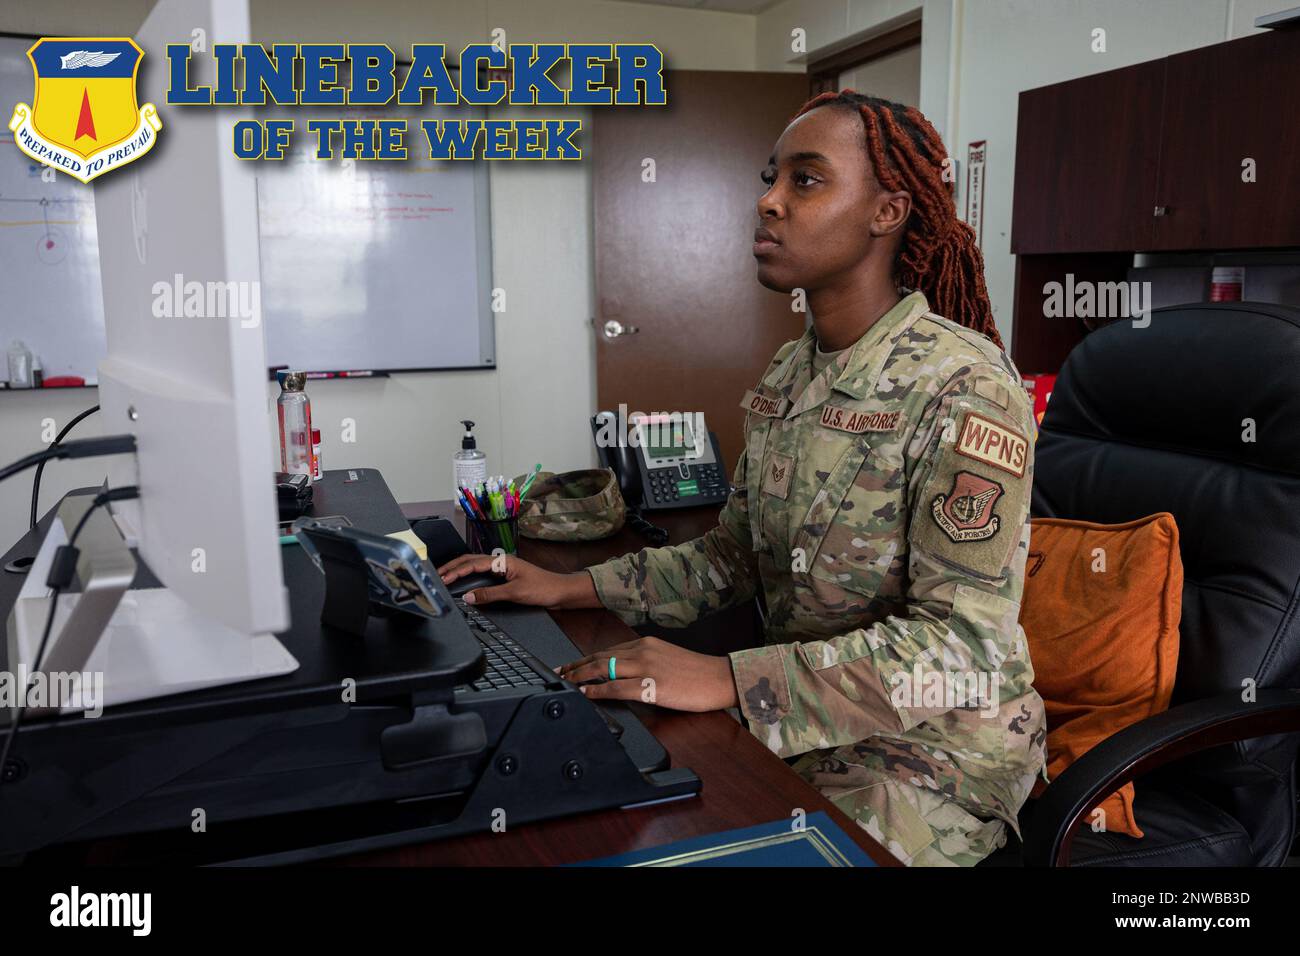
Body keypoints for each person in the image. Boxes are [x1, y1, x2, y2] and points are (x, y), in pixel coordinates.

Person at [438, 90, 1047, 866]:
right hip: (799, 719)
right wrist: (569, 588)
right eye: (772, 177)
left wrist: (733, 680)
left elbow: (963, 649)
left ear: (887, 211)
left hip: (933, 750)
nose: (768, 201)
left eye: (806, 180)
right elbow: (730, 558)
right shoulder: (791, 371)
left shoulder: (963, 384)